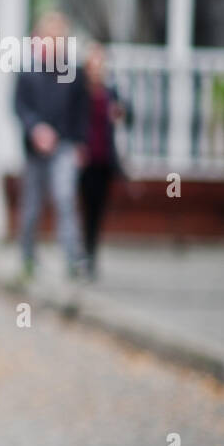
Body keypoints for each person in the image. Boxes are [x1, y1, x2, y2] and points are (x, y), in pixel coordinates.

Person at [12, 10, 89, 281]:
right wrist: (36, 129)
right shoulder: (28, 73)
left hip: (65, 146)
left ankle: (72, 259)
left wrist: (80, 143)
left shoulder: (74, 74)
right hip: (35, 150)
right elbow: (19, 106)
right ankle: (28, 257)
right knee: (31, 205)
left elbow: (81, 111)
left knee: (64, 197)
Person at [76, 42, 127, 280]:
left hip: (104, 159)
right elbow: (69, 118)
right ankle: (80, 255)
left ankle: (91, 256)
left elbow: (128, 114)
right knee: (81, 208)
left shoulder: (111, 91)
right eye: (94, 62)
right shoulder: (78, 89)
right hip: (83, 159)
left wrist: (120, 112)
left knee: (97, 210)